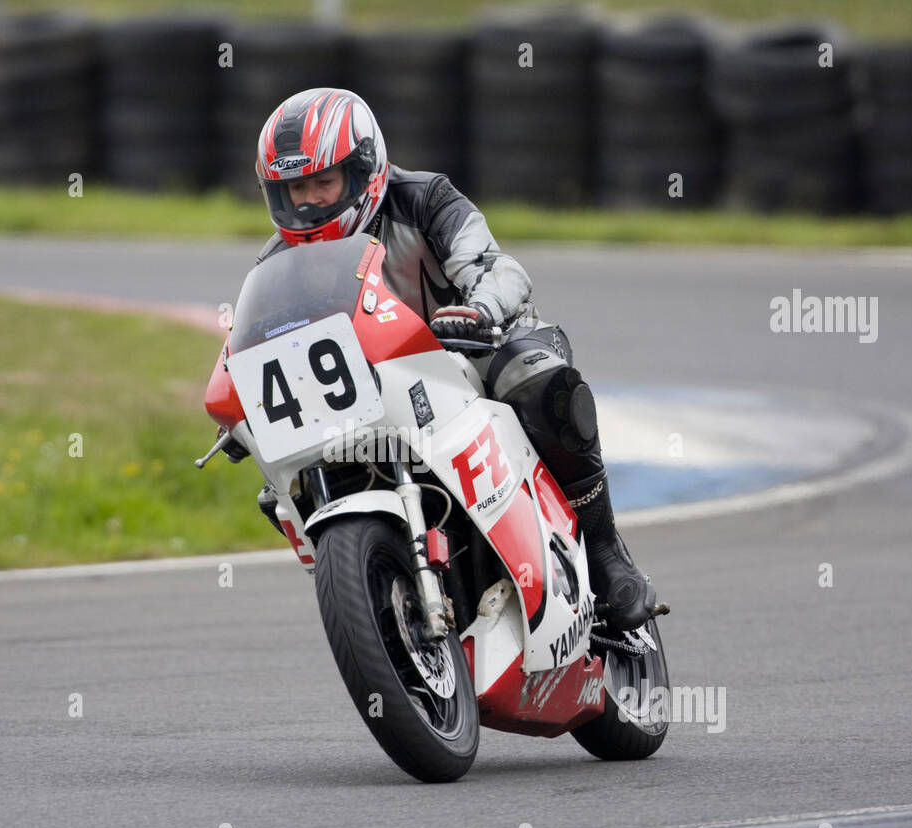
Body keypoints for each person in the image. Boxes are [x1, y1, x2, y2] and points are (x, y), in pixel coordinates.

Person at [233, 86, 655, 631]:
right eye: (295, 189)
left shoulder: (426, 199)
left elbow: (498, 268)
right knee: (279, 490)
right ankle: (376, 591)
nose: (309, 201)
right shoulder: (278, 258)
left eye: (323, 182)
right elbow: (256, 338)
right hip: (380, 390)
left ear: (364, 171)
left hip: (475, 348)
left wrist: (480, 308)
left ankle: (603, 551)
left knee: (537, 379)